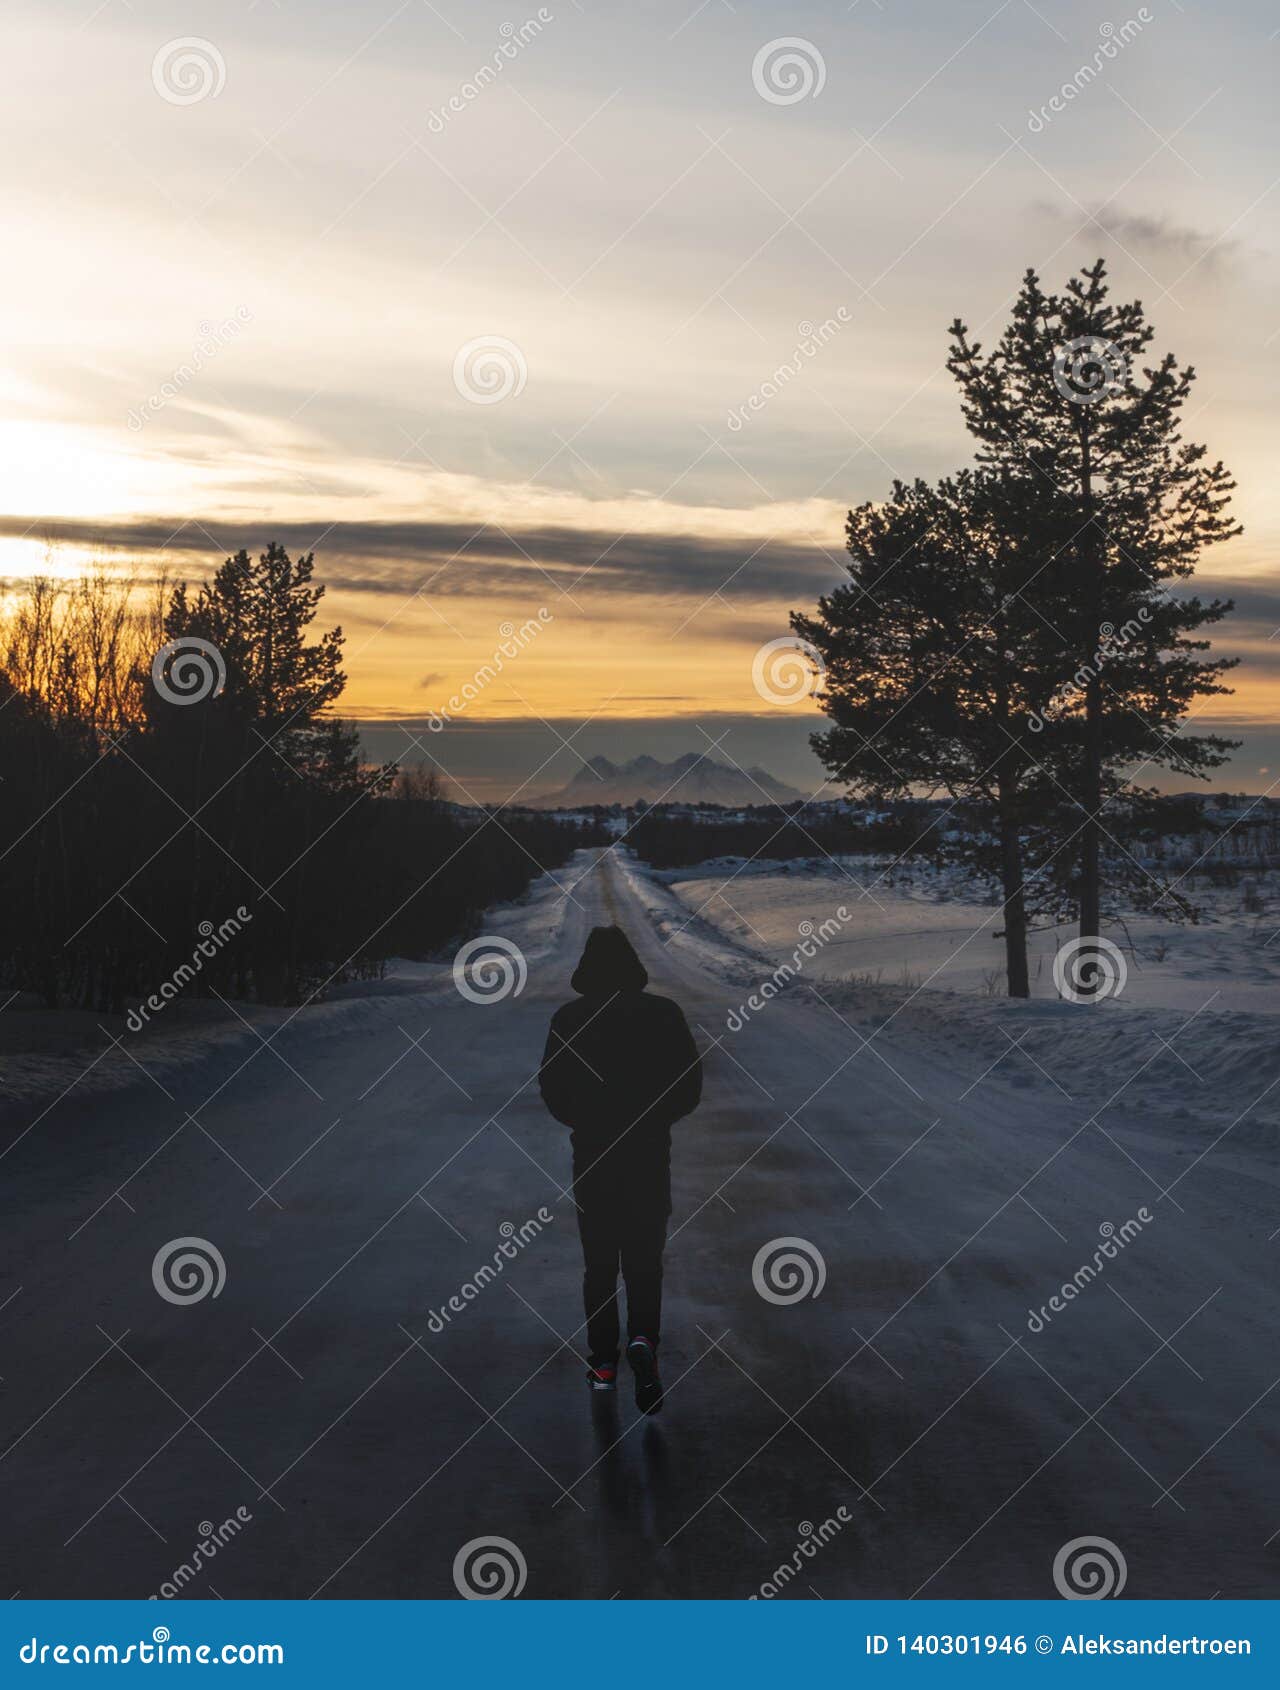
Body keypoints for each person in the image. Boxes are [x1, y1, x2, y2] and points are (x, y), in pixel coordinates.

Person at [539, 925, 702, 1414]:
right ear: (633, 966)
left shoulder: (569, 1019)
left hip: (592, 1155)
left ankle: (604, 1360)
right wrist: (654, 1119)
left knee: (600, 1263)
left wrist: (586, 1120)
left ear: (586, 968)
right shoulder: (663, 1014)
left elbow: (552, 1087)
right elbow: (688, 1085)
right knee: (645, 1262)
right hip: (649, 1155)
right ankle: (644, 1342)